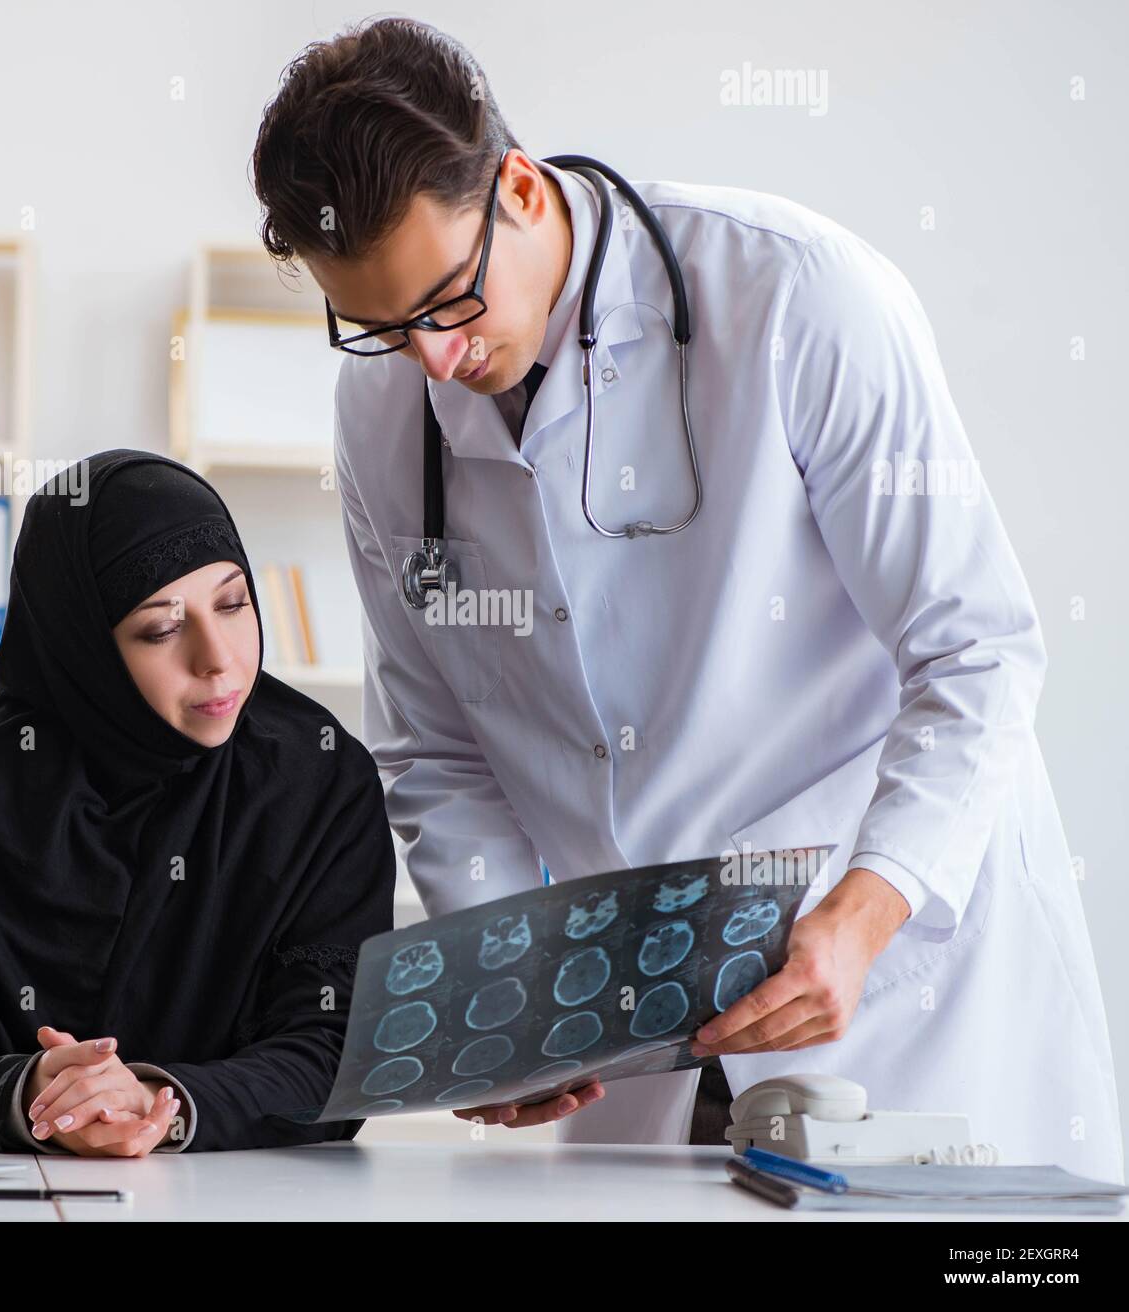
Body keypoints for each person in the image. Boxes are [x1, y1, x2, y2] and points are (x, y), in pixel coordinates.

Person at [247, 17, 1123, 1179]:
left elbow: (975, 652)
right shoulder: (383, 413)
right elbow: (435, 747)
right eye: (377, 325)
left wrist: (861, 916)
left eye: (448, 305)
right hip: (634, 1019)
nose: (432, 363)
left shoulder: (795, 298)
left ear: (517, 183)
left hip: (897, 986)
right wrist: (513, 999)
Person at [0, 449, 395, 1155]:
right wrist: (38, 1092)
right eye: (161, 629)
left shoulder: (318, 775)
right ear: (82, 649)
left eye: (233, 603)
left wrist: (159, 1100)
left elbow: (339, 1049)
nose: (218, 657)